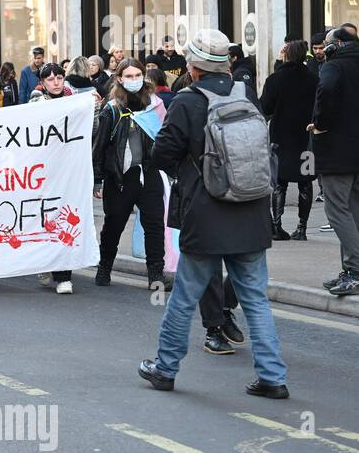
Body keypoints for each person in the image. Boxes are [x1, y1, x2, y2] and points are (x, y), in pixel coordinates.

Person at [139, 30, 288, 399]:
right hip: (251, 210)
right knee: (255, 298)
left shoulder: (187, 101)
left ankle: (165, 367)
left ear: (193, 68)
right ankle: (272, 377)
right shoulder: (246, 93)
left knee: (185, 296)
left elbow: (162, 155)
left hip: (206, 214)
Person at [92, 59, 166, 288]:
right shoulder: (112, 109)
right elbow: (100, 146)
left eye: (138, 75)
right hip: (120, 178)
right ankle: (104, 268)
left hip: (150, 174)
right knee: (114, 225)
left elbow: (166, 139)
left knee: (154, 226)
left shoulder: (155, 105)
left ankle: (156, 274)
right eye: (129, 76)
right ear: (119, 79)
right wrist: (98, 180)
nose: (134, 80)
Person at [309, 26, 359, 295]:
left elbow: (326, 91)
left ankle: (354, 271)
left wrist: (320, 124)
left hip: (338, 150)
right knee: (354, 210)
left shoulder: (333, 66)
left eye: (326, 43)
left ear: (336, 44)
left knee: (337, 210)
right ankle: (350, 268)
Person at [260, 39, 318, 241]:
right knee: (306, 181)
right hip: (306, 138)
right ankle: (302, 228)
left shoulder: (275, 79)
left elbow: (265, 107)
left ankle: (277, 226)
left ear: (286, 55)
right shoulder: (314, 79)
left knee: (279, 182)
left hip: (280, 137)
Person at [29, 63, 76, 294]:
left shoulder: (75, 100)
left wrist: (94, 110)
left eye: (59, 77)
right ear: (43, 82)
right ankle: (45, 261)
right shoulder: (36, 104)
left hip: (69, 171)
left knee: (65, 218)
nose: (56, 82)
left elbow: (91, 130)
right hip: (44, 172)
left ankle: (63, 275)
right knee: (46, 218)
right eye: (50, 79)